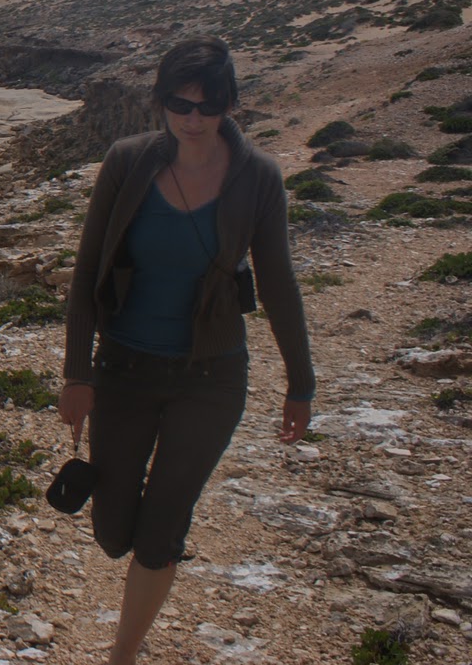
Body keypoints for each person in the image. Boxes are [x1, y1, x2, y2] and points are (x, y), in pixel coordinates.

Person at [58, 36, 315, 665]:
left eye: (209, 106)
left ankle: (124, 653)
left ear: (229, 104)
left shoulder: (258, 177)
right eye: (180, 103)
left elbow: (279, 284)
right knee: (114, 529)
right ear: (161, 99)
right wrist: (77, 374)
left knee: (161, 528)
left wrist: (300, 382)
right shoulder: (128, 162)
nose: (193, 118)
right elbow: (88, 275)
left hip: (211, 379)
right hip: (124, 369)